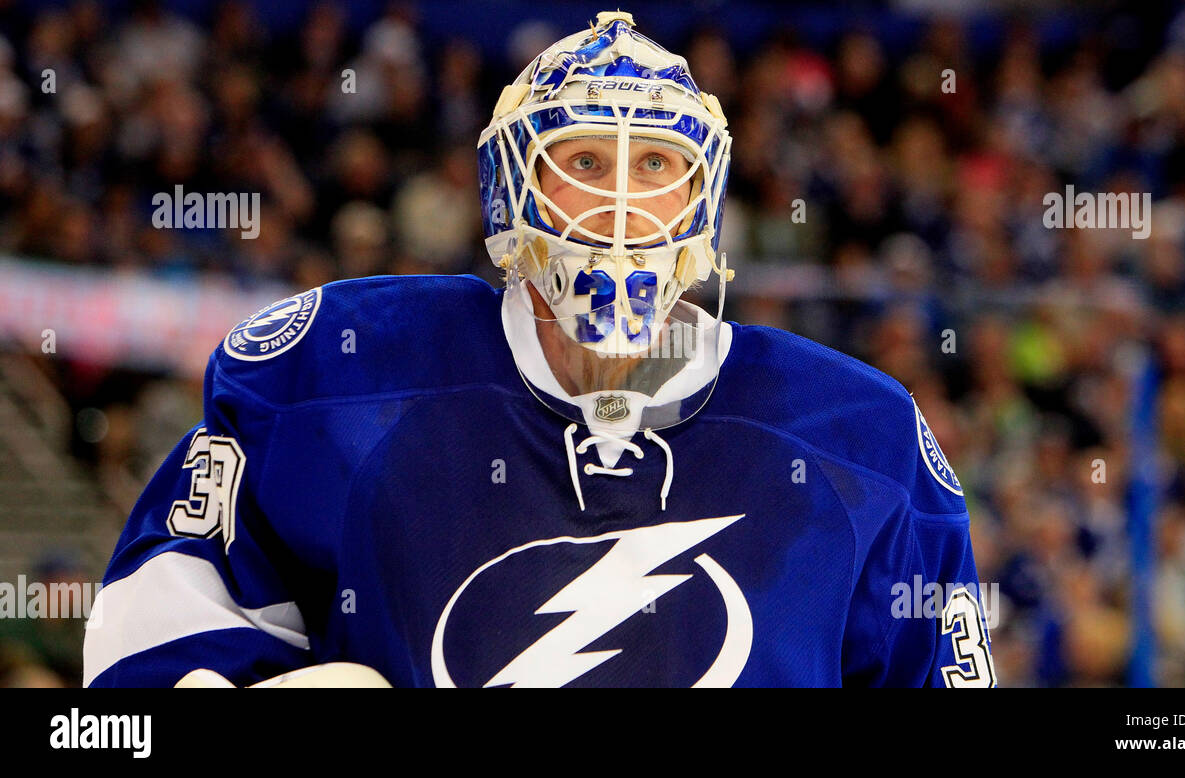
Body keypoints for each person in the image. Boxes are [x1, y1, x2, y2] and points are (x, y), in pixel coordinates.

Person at [85, 11, 995, 688]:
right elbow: (148, 643)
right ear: (509, 188)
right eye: (587, 163)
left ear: (704, 203)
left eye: (656, 169)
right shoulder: (345, 380)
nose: (623, 211)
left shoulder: (861, 443)